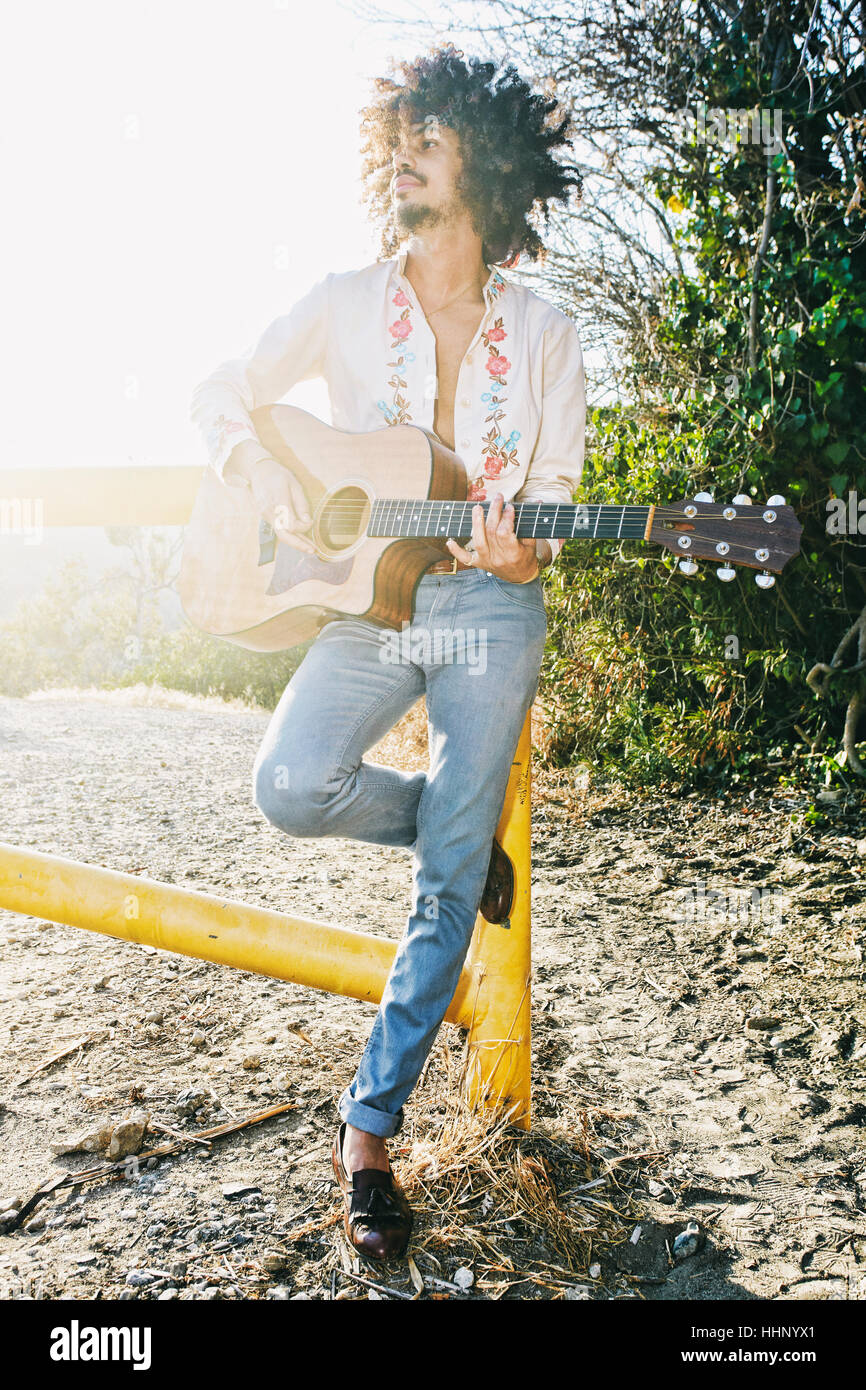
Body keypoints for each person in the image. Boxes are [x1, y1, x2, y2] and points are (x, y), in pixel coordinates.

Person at [189, 45, 586, 1262]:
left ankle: (368, 1129)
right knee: (289, 785)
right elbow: (223, 390)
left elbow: (555, 505)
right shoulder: (343, 301)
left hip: (488, 611)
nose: (404, 154)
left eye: (431, 135)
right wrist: (270, 478)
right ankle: (450, 833)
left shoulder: (552, 331)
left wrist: (518, 552)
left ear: (488, 158)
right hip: (371, 606)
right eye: (395, 138)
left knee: (441, 890)